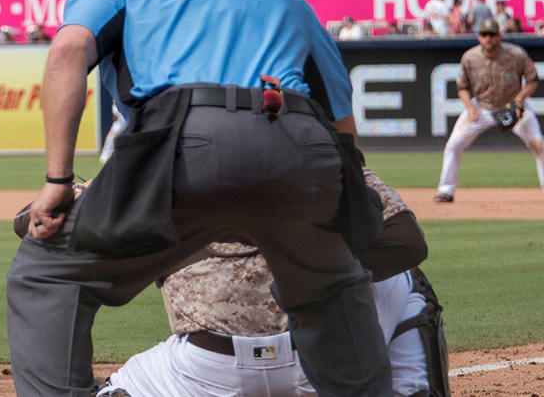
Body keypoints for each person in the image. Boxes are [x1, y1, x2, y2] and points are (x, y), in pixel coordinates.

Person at [7, 0, 391, 397]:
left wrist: (57, 178)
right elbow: (343, 121)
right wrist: (344, 206)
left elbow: (68, 50)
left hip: (186, 144)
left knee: (45, 271)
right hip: (300, 146)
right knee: (334, 288)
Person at [69, 169, 445, 397]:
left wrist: (80, 195)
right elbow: (409, 244)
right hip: (320, 361)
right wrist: (313, 271)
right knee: (407, 277)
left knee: (117, 387)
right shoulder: (315, 146)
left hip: (207, 373)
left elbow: (31, 225)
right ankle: (409, 389)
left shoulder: (152, 169)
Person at [436, 19, 543, 202]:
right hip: (482, 107)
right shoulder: (470, 57)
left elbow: (532, 79)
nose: (488, 38)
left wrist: (519, 100)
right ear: (479, 37)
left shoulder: (516, 54)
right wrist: (469, 107)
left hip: (513, 106)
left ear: (499, 35)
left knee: (539, 145)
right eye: (484, 34)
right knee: (454, 144)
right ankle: (446, 190)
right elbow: (462, 87)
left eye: (492, 34)